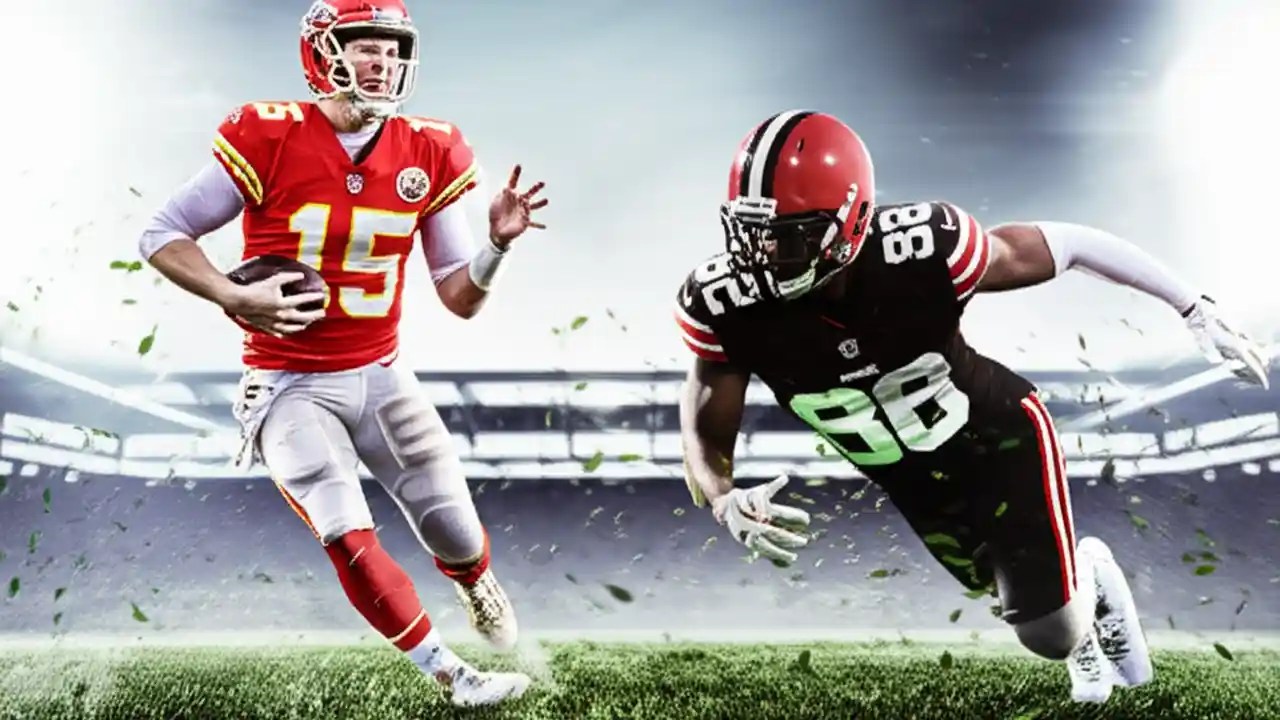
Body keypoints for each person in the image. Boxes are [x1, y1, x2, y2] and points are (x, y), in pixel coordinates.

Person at [674, 109, 1270, 703]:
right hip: (906, 473)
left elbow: (1068, 246)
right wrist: (723, 497)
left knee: (1050, 634)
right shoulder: (724, 303)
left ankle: (1089, 578)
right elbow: (704, 422)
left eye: (789, 236)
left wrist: (1193, 307)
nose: (762, 254)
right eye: (751, 231)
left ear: (849, 224)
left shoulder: (919, 249)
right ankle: (1070, 607)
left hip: (996, 437)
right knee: (1013, 599)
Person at [138, 0, 546, 708]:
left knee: (452, 528)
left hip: (382, 376)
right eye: (366, 48)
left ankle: (477, 583)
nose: (383, 63)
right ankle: (454, 676)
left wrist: (497, 247)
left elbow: (458, 296)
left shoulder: (431, 148)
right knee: (346, 532)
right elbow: (162, 231)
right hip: (289, 383)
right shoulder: (267, 134)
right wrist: (230, 297)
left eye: (393, 51)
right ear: (322, 55)